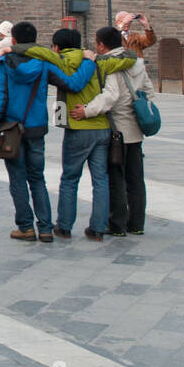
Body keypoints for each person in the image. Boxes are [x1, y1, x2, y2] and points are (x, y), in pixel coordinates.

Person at [17, 28, 131, 241]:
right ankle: (97, 229)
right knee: (100, 179)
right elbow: (128, 59)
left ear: (57, 46)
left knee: (70, 178)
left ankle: (65, 226)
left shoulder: (60, 60)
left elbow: (35, 52)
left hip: (77, 127)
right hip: (101, 127)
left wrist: (8, 49)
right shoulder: (98, 60)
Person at [73, 26, 156, 236]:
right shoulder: (137, 62)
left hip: (117, 130)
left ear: (101, 44)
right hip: (136, 129)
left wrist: (87, 111)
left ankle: (117, 224)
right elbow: (149, 92)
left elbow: (110, 97)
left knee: (116, 178)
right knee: (136, 179)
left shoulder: (111, 65)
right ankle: (137, 224)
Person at [0, 22, 59, 241]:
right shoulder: (43, 63)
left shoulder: (5, 63)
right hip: (36, 128)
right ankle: (45, 228)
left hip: (12, 130)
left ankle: (25, 227)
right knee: (38, 178)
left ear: (13, 41)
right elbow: (67, 77)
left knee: (17, 179)